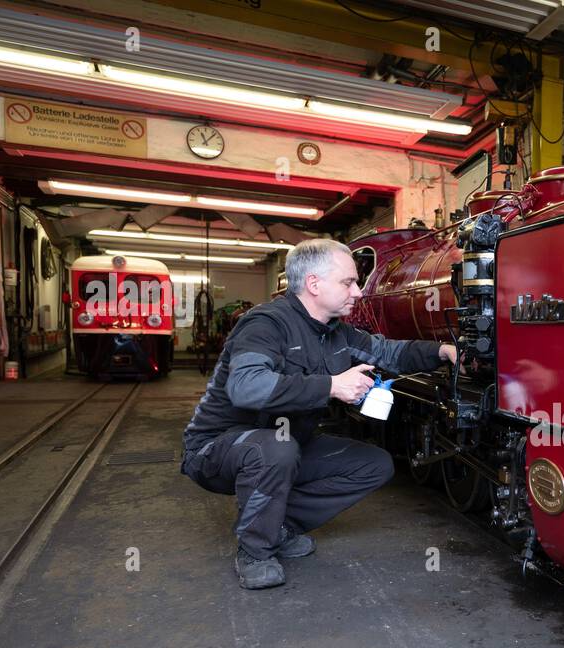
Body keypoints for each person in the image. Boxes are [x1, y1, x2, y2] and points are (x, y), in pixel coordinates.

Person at [181, 238, 457, 588]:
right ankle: (255, 551)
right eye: (348, 282)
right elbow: (246, 386)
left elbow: (389, 352)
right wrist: (331, 386)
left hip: (287, 444)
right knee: (275, 448)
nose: (357, 292)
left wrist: (443, 351)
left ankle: (277, 525)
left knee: (374, 464)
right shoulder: (266, 324)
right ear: (313, 284)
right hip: (216, 449)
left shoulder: (336, 333)